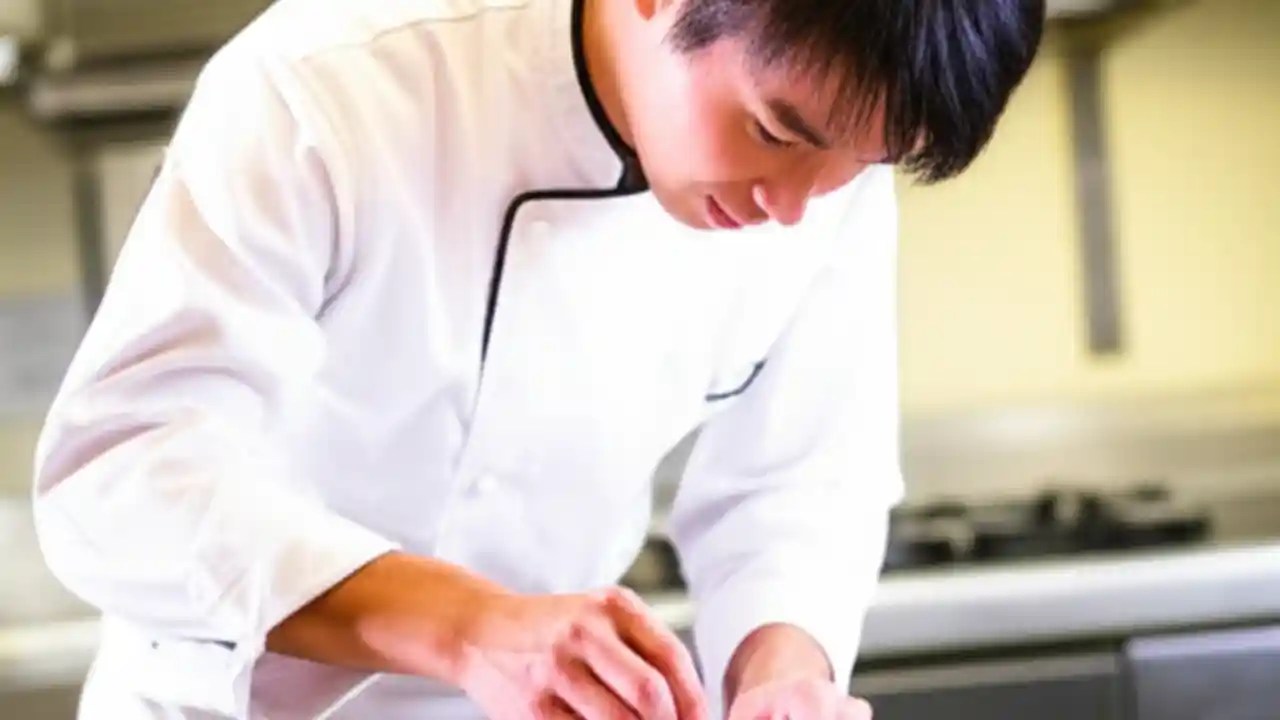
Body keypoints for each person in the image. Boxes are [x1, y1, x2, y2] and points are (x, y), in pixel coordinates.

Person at [32, 0, 1044, 717]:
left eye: (855, 167)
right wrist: (474, 628)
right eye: (772, 130)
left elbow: (797, 482)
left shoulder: (827, 178)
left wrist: (781, 675)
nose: (792, 205)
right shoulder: (328, 85)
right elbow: (121, 473)